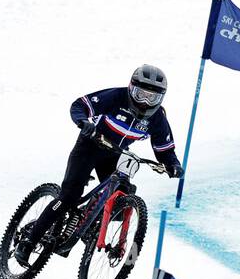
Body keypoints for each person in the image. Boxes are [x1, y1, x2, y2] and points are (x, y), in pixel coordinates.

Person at [20, 65, 183, 258]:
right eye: (140, 94)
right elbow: (79, 105)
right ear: (131, 88)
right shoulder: (115, 97)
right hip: (89, 146)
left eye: (152, 97)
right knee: (69, 197)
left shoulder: (157, 119)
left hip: (115, 154)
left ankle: (89, 228)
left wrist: (173, 165)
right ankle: (29, 241)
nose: (145, 102)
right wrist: (83, 122)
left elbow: (165, 150)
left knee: (122, 200)